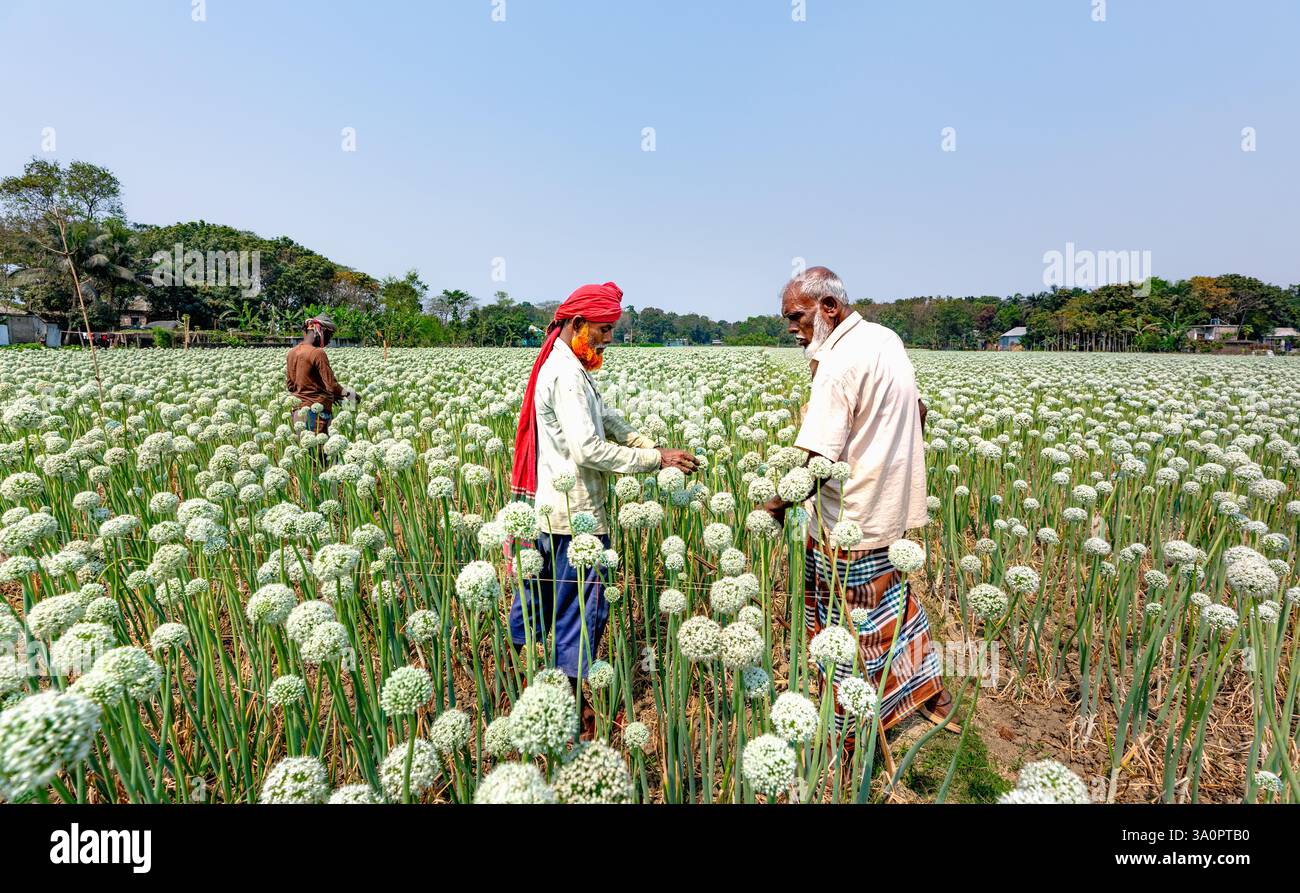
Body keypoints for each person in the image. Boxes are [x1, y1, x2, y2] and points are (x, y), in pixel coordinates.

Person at [763, 267, 956, 743]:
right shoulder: (884, 338)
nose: (792, 327)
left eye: (796, 316)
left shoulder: (839, 364)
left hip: (848, 518)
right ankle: (931, 693)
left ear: (828, 307)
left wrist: (776, 505)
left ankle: (852, 728)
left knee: (850, 625)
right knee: (896, 604)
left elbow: (817, 459)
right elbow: (920, 410)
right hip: (889, 504)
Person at [508, 281, 698, 736]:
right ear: (577, 324)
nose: (609, 338)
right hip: (578, 519)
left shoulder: (566, 362)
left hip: (549, 512)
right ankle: (575, 710)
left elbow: (602, 413)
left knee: (537, 601)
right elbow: (588, 449)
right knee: (580, 610)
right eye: (605, 329)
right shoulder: (567, 374)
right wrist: (655, 459)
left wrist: (638, 438)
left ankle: (519, 683)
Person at [286, 314, 356, 440]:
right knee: (321, 456)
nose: (329, 340)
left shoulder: (292, 352)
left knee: (307, 456)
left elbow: (291, 386)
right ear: (320, 331)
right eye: (329, 335)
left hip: (298, 414)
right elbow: (332, 385)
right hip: (317, 414)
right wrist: (350, 395)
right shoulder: (318, 353)